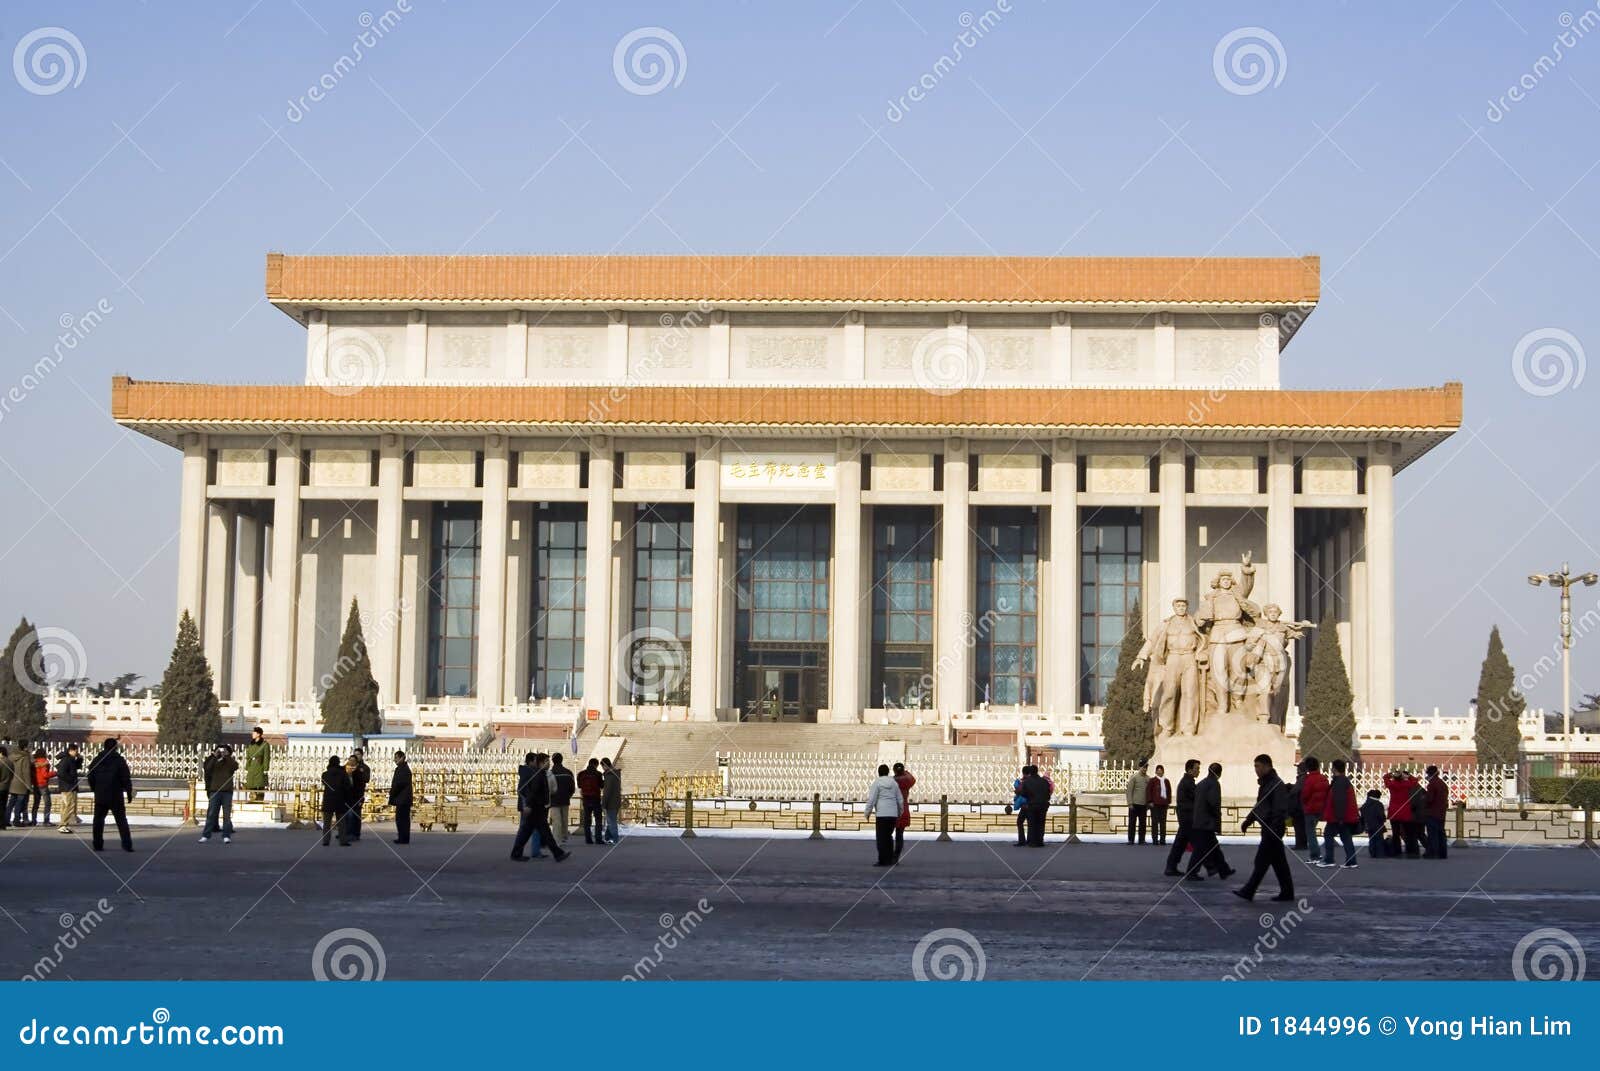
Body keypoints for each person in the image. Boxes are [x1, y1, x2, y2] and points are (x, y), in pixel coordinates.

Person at [1234, 753, 1293, 902]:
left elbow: (1279, 808)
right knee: (1279, 863)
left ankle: (1249, 890)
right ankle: (1287, 892)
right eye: (1255, 766)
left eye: (1258, 766)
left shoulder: (1276, 784)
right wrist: (1248, 820)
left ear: (1267, 766)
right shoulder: (1267, 783)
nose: (1256, 769)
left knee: (1262, 861)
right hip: (1269, 827)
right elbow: (1260, 806)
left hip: (1272, 828)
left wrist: (1273, 827)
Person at [512, 753, 569, 862]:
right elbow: (533, 792)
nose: (549, 763)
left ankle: (516, 853)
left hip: (538, 807)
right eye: (546, 761)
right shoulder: (538, 775)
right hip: (536, 808)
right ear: (541, 763)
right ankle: (558, 853)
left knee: (527, 832)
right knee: (543, 832)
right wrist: (528, 805)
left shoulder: (541, 774)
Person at [1186, 762, 1235, 880]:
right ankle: (1191, 872)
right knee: (1201, 849)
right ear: (1219, 773)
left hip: (1199, 820)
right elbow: (1214, 803)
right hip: (1207, 822)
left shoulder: (1201, 784)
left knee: (1213, 847)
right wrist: (1217, 820)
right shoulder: (1214, 784)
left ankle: (1223, 870)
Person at [86, 738, 134, 852]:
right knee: (121, 820)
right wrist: (129, 792)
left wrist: (94, 788)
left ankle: (97, 844)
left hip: (101, 794)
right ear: (115, 748)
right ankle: (127, 844)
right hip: (116, 794)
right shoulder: (119, 760)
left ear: (104, 747)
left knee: (98, 820)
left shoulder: (97, 759)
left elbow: (90, 775)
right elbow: (125, 777)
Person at [1316, 758, 1360, 868]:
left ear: (1334, 769)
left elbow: (1339, 801)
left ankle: (1329, 859)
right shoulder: (1343, 781)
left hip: (1337, 816)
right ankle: (1351, 861)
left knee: (1328, 835)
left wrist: (1340, 817)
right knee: (1346, 837)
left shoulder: (1339, 782)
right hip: (1342, 816)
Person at [1163, 759, 1201, 876]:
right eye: (1196, 768)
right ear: (1190, 770)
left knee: (1180, 844)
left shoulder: (1188, 781)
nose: (1198, 771)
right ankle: (1195, 871)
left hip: (1185, 817)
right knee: (1199, 845)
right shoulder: (1188, 783)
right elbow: (1197, 797)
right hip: (1188, 818)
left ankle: (1171, 867)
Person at [863, 763, 903, 866]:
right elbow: (900, 800)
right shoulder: (894, 783)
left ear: (878, 772)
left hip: (881, 814)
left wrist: (867, 813)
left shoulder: (877, 783)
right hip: (892, 814)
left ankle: (882, 860)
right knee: (889, 837)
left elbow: (872, 799)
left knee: (881, 838)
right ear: (888, 772)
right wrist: (900, 812)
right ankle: (890, 859)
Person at [199, 743, 238, 843]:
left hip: (227, 792)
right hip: (214, 790)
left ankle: (226, 835)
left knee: (226, 815)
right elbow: (207, 768)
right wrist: (214, 756)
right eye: (220, 750)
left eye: (224, 750)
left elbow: (235, 767)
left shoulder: (229, 761)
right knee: (211, 814)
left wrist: (227, 756)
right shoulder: (213, 760)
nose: (221, 752)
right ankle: (206, 835)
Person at [1382, 767, 1423, 857]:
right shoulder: (1406, 784)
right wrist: (1408, 775)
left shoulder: (1391, 784)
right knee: (1408, 832)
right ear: (1401, 777)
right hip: (1405, 811)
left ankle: (1397, 851)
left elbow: (1385, 777)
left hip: (1394, 811)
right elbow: (1415, 780)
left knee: (1395, 833)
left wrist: (1392, 774)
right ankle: (1410, 850)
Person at [1298, 756, 1328, 863]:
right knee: (1313, 832)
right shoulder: (1324, 778)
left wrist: (1304, 804)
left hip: (1310, 809)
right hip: (1321, 808)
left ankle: (1315, 855)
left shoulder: (1309, 779)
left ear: (1307, 767)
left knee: (1310, 833)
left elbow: (1305, 795)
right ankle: (1317, 853)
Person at [320, 756, 352, 847]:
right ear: (338, 763)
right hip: (340, 799)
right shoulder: (343, 774)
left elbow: (324, 783)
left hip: (328, 800)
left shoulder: (325, 774)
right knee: (341, 822)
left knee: (327, 822)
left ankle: (326, 841)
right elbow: (347, 786)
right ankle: (343, 840)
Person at [1018, 764, 1051, 846]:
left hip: (1032, 805)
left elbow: (1023, 794)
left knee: (1032, 823)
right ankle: (1040, 841)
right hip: (1043, 805)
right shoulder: (1044, 781)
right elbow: (1048, 794)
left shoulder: (1027, 782)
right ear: (1037, 771)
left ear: (1030, 772)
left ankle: (1032, 841)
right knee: (1041, 823)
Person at [1422, 765, 1449, 860]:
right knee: (1441, 834)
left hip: (1432, 813)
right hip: (1441, 812)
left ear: (1429, 774)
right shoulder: (1442, 784)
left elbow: (1429, 799)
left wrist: (1423, 798)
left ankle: (1433, 853)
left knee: (1432, 834)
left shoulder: (1432, 784)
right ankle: (1442, 853)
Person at [548, 753, 575, 846]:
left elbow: (548, 788)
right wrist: (568, 796)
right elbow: (572, 788)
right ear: (562, 760)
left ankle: (557, 840)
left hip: (554, 801)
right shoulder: (568, 773)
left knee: (556, 821)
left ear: (552, 761)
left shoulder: (550, 773)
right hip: (565, 799)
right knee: (564, 819)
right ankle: (564, 836)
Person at [344, 751, 371, 842]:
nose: (351, 761)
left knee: (355, 814)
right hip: (347, 795)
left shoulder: (362, 769)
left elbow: (365, 780)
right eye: (350, 759)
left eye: (358, 754)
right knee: (347, 815)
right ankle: (345, 832)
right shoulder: (346, 768)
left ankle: (355, 833)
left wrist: (357, 772)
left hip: (357, 795)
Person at [576, 757, 605, 844]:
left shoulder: (581, 774)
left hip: (586, 799)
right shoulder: (598, 774)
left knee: (587, 819)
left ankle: (588, 839)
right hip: (596, 799)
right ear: (596, 765)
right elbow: (602, 785)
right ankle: (598, 838)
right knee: (598, 819)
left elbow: (579, 785)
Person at [54, 743, 82, 833]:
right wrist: (71, 780)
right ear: (71, 751)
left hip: (68, 786)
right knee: (69, 805)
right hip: (68, 787)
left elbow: (76, 767)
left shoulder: (70, 759)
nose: (77, 753)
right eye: (76, 751)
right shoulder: (66, 759)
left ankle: (63, 824)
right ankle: (63, 824)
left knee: (66, 806)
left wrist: (80, 759)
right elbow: (61, 773)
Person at [892, 762, 915, 861]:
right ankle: (896, 856)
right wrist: (905, 772)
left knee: (887, 834)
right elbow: (912, 778)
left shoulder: (892, 781)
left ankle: (887, 855)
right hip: (904, 809)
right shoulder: (907, 780)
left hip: (892, 809)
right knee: (899, 834)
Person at [389, 751, 413, 844]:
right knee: (402, 819)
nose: (395, 760)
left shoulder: (404, 770)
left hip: (402, 799)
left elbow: (399, 784)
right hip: (402, 798)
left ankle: (403, 838)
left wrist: (393, 792)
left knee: (402, 819)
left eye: (396, 758)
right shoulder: (401, 768)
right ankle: (402, 837)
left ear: (402, 758)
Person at [1125, 762, 1150, 845]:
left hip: (1143, 805)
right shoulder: (1134, 777)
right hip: (1134, 804)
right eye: (1143, 767)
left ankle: (1141, 840)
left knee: (1143, 824)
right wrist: (1130, 803)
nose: (1145, 769)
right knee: (1132, 823)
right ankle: (1131, 840)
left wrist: (1148, 804)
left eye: (1146, 768)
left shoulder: (1148, 778)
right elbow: (1129, 791)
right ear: (1140, 767)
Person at [1147, 764, 1172, 845]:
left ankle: (1162, 839)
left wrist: (1168, 802)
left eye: (1161, 771)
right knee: (1154, 823)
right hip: (1155, 805)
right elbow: (1149, 791)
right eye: (1158, 771)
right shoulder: (1152, 780)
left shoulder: (1166, 781)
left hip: (1164, 805)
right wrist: (1150, 801)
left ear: (1163, 772)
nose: (1159, 772)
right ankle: (1155, 839)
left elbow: (1169, 792)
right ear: (1156, 772)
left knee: (1163, 823)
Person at [243, 726, 271, 801]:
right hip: (252, 767)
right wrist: (247, 767)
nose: (252, 734)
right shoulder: (251, 744)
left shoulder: (265, 744)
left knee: (260, 784)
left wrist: (266, 769)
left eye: (254, 733)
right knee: (251, 784)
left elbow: (266, 757)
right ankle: (252, 799)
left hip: (260, 767)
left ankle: (260, 799)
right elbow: (248, 756)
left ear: (258, 734)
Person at [1360, 789, 1388, 859]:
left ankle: (1372, 853)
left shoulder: (1365, 805)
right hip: (1378, 825)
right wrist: (1384, 819)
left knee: (1371, 839)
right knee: (1379, 840)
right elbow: (1381, 815)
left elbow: (1362, 815)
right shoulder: (1378, 804)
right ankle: (1380, 854)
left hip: (1368, 825)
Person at [600, 757, 623, 845]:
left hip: (610, 802)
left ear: (605, 765)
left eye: (602, 766)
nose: (602, 768)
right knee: (611, 820)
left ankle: (615, 839)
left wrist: (603, 803)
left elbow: (607, 791)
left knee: (611, 821)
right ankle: (607, 837)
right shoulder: (616, 774)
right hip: (617, 801)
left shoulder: (609, 776)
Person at [7, 748, 32, 826]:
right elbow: (26, 772)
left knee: (11, 803)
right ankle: (16, 820)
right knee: (19, 803)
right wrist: (29, 785)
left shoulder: (11, 756)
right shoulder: (25, 757)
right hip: (21, 783)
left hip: (12, 782)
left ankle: (6, 819)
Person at [30, 748, 53, 827]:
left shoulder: (34, 763)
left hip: (36, 784)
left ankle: (33, 820)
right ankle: (46, 821)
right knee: (48, 803)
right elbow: (45, 775)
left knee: (36, 803)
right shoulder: (44, 762)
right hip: (43, 784)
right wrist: (54, 773)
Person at [0, 745, 12, 830]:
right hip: (6, 786)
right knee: (3, 806)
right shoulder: (10, 762)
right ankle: (2, 824)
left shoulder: (1, 762)